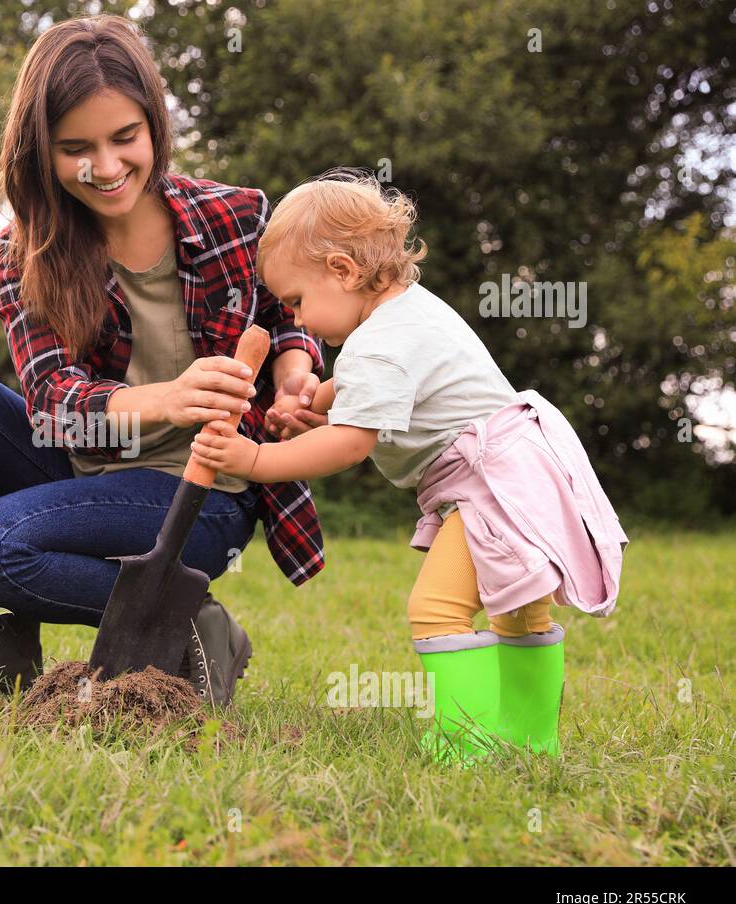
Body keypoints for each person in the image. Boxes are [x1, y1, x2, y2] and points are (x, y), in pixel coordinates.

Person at [0, 15, 328, 704]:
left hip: (200, 493)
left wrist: (297, 373)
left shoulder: (238, 217)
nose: (109, 167)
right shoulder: (25, 253)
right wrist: (167, 398)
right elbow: (53, 402)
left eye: (126, 138)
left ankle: (191, 626)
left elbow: (287, 316)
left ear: (154, 125)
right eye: (77, 148)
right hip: (86, 461)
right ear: (40, 150)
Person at [190, 169, 628, 758]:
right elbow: (352, 392)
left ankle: (465, 747)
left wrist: (257, 456)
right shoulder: (406, 313)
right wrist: (312, 402)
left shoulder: (379, 344)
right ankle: (531, 742)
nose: (294, 320)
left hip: (492, 481)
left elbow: (350, 444)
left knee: (437, 607)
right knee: (520, 611)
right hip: (519, 467)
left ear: (341, 272)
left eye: (296, 301)